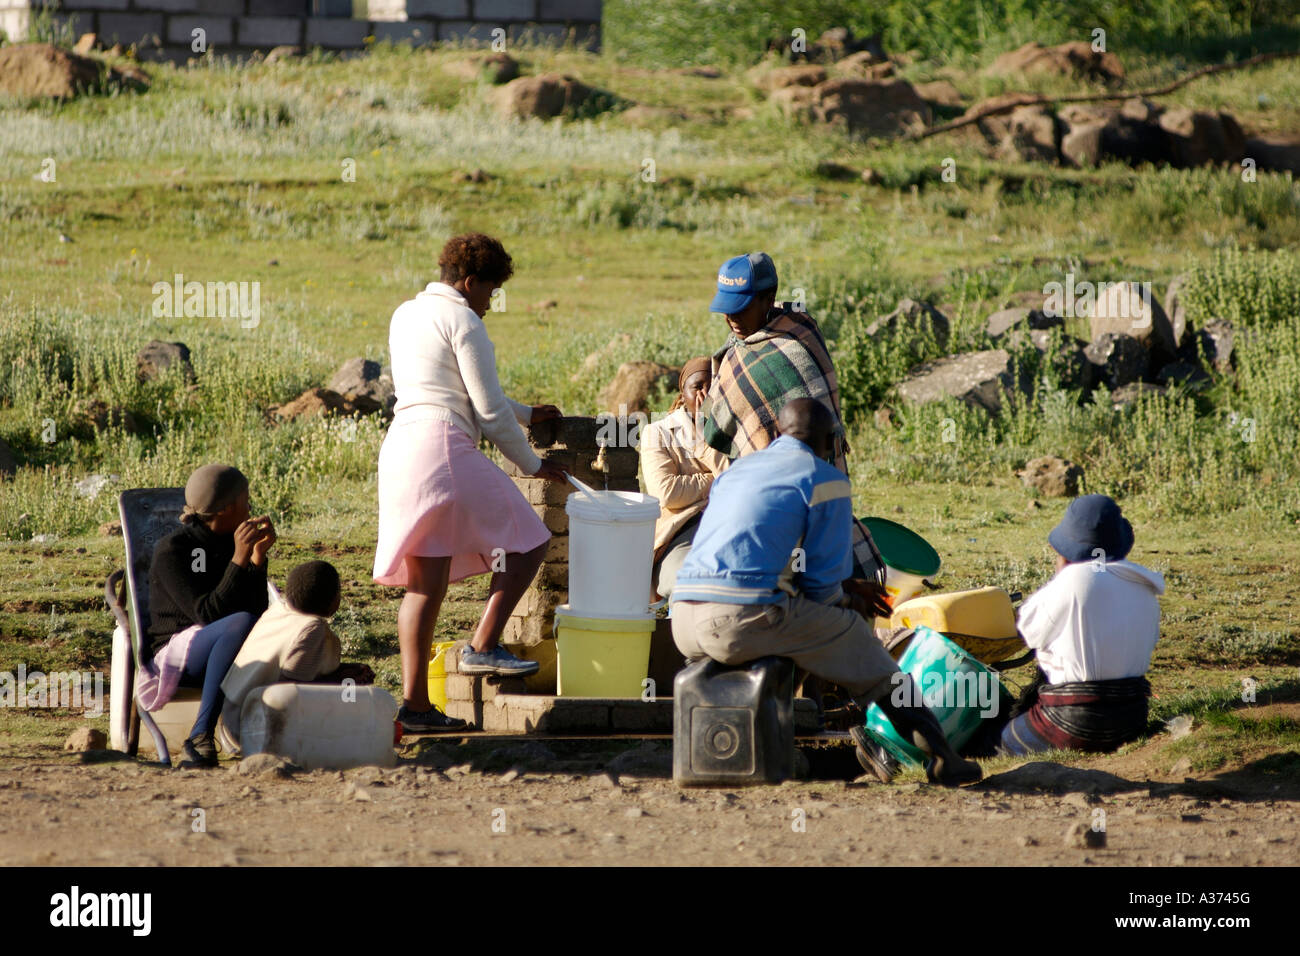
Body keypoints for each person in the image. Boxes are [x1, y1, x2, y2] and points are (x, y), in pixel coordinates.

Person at [671, 398, 983, 787]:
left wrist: (844, 588)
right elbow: (820, 591)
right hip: (740, 621)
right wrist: (850, 600)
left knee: (796, 625)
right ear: (830, 440)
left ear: (779, 433)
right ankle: (942, 757)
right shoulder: (825, 479)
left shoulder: (737, 472)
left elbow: (755, 556)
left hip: (683, 617)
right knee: (857, 638)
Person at [373, 232, 569, 734]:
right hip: (442, 447)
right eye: (489, 291)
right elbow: (485, 410)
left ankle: (414, 709)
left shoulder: (406, 314)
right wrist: (530, 464)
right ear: (468, 282)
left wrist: (525, 413)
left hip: (401, 449)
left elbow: (444, 382)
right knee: (530, 541)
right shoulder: (464, 320)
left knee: (424, 587)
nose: (490, 303)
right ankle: (484, 646)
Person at [699, 252, 887, 591]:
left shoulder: (801, 330)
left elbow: (820, 401)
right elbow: (715, 428)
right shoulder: (733, 361)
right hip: (769, 486)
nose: (732, 318)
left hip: (819, 465)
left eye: (742, 307)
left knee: (821, 549)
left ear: (768, 298)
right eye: (726, 309)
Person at [998, 495, 1165, 756]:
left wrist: (1061, 574)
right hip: (1132, 720)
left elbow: (1028, 630)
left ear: (1064, 550)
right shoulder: (1146, 586)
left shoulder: (1073, 580)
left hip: (1072, 723)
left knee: (1001, 738)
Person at [143, 464, 275, 767]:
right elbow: (207, 614)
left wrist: (256, 558)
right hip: (176, 654)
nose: (250, 506)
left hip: (224, 644)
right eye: (245, 500)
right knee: (240, 622)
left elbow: (256, 610)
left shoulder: (231, 541)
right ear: (228, 509)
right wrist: (239, 559)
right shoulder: (174, 551)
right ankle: (200, 733)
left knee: (259, 624)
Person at [218, 560, 375, 752]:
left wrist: (343, 671)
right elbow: (290, 692)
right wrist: (344, 681)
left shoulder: (279, 609)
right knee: (349, 702)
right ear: (333, 600)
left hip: (230, 715)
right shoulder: (311, 628)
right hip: (252, 728)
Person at [640, 356, 729, 600]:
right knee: (685, 577)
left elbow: (744, 484)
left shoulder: (735, 432)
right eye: (698, 387)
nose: (705, 394)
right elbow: (666, 493)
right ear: (683, 393)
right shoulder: (657, 433)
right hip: (682, 530)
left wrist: (709, 438)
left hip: (727, 524)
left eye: (712, 386)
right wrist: (717, 480)